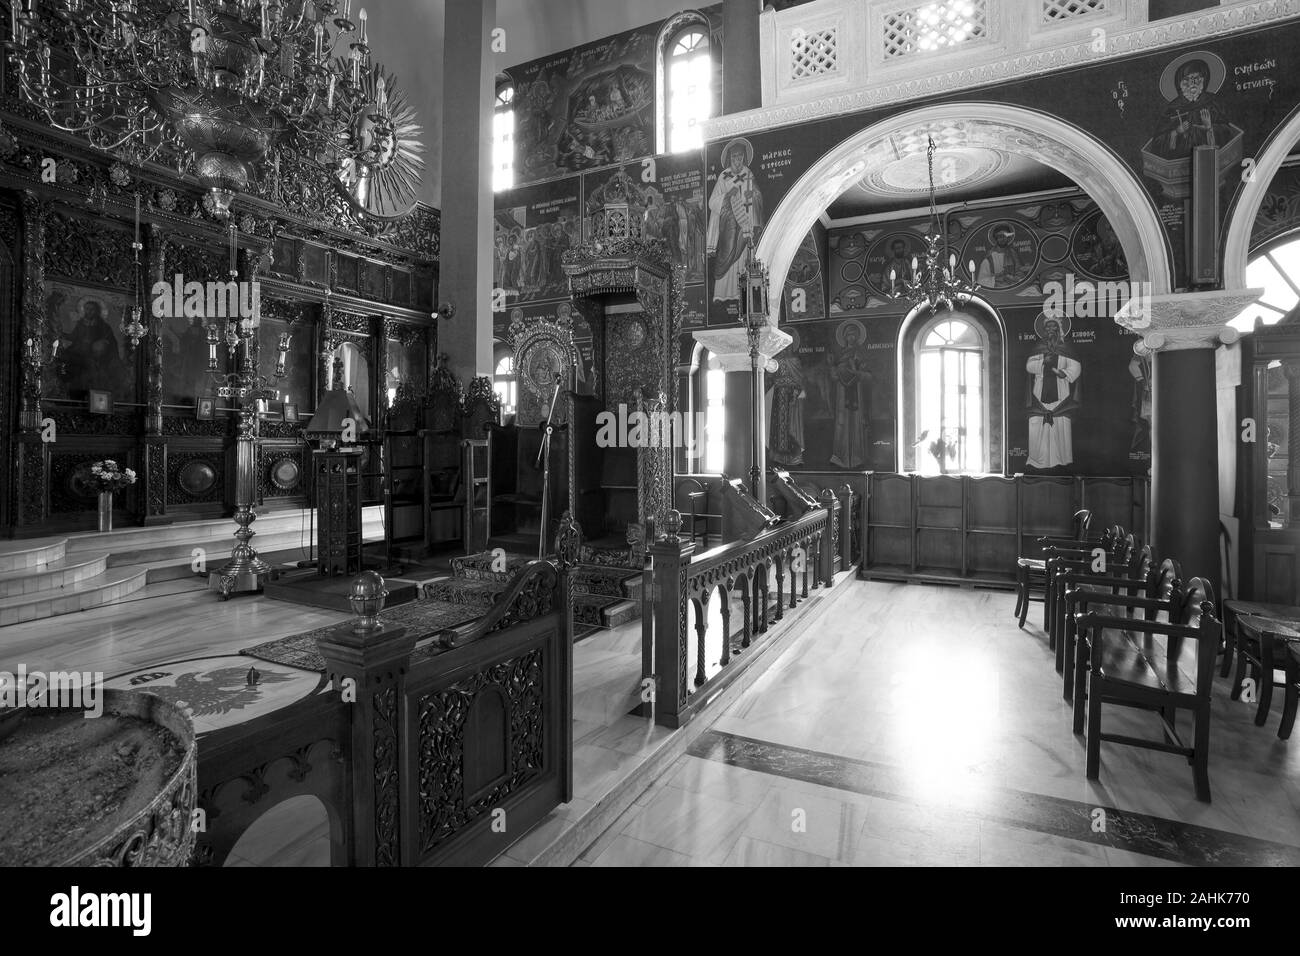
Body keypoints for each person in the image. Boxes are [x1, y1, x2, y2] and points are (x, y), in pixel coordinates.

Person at [707, 138, 762, 303]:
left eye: (739, 157)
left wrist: (753, 196)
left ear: (744, 158)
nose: (737, 160)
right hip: (728, 225)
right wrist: (726, 196)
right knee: (727, 253)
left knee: (742, 257)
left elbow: (757, 195)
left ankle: (740, 295)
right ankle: (722, 294)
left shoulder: (748, 174)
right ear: (729, 159)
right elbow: (712, 202)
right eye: (734, 157)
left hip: (744, 223)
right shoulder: (724, 177)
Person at [1026, 313, 1082, 470]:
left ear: (1059, 329)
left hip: (1061, 394)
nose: (1051, 329)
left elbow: (1076, 366)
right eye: (1048, 327)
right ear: (1043, 330)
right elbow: (1029, 366)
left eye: (1054, 326)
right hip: (1039, 394)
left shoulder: (1066, 348)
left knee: (1060, 425)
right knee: (1038, 425)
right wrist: (1043, 361)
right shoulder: (1038, 348)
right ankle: (1038, 461)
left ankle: (1061, 460)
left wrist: (1065, 373)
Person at [1153, 57, 1232, 158]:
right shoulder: (1172, 109)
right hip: (1179, 162)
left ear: (1203, 80)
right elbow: (1157, 143)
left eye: (1196, 78)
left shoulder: (1212, 103)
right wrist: (1176, 132)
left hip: (1210, 157)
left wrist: (1210, 129)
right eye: (1187, 80)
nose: (1192, 83)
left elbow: (1228, 132)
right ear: (1180, 84)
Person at [830, 321, 872, 468]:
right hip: (841, 392)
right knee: (841, 422)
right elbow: (833, 375)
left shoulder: (860, 353)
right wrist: (834, 372)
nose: (851, 337)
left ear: (858, 337)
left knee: (855, 422)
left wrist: (855, 372)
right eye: (848, 335)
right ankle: (840, 456)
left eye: (854, 334)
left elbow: (867, 374)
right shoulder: (839, 354)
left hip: (857, 392)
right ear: (844, 337)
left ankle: (856, 457)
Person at [768, 333, 806, 467]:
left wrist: (795, 391)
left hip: (791, 398)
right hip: (778, 396)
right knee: (778, 427)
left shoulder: (795, 361)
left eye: (787, 346)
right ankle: (778, 457)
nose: (785, 349)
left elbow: (800, 380)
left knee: (791, 427)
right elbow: (770, 378)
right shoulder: (776, 361)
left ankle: (794, 458)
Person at [977, 223, 1026, 288]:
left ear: (1008, 238)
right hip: (997, 292)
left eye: (1005, 236)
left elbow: (1019, 271)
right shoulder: (989, 258)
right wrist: (997, 279)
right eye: (1000, 236)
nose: (1003, 239)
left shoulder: (1013, 254)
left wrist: (1015, 279)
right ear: (995, 238)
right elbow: (981, 281)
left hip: (1013, 288)